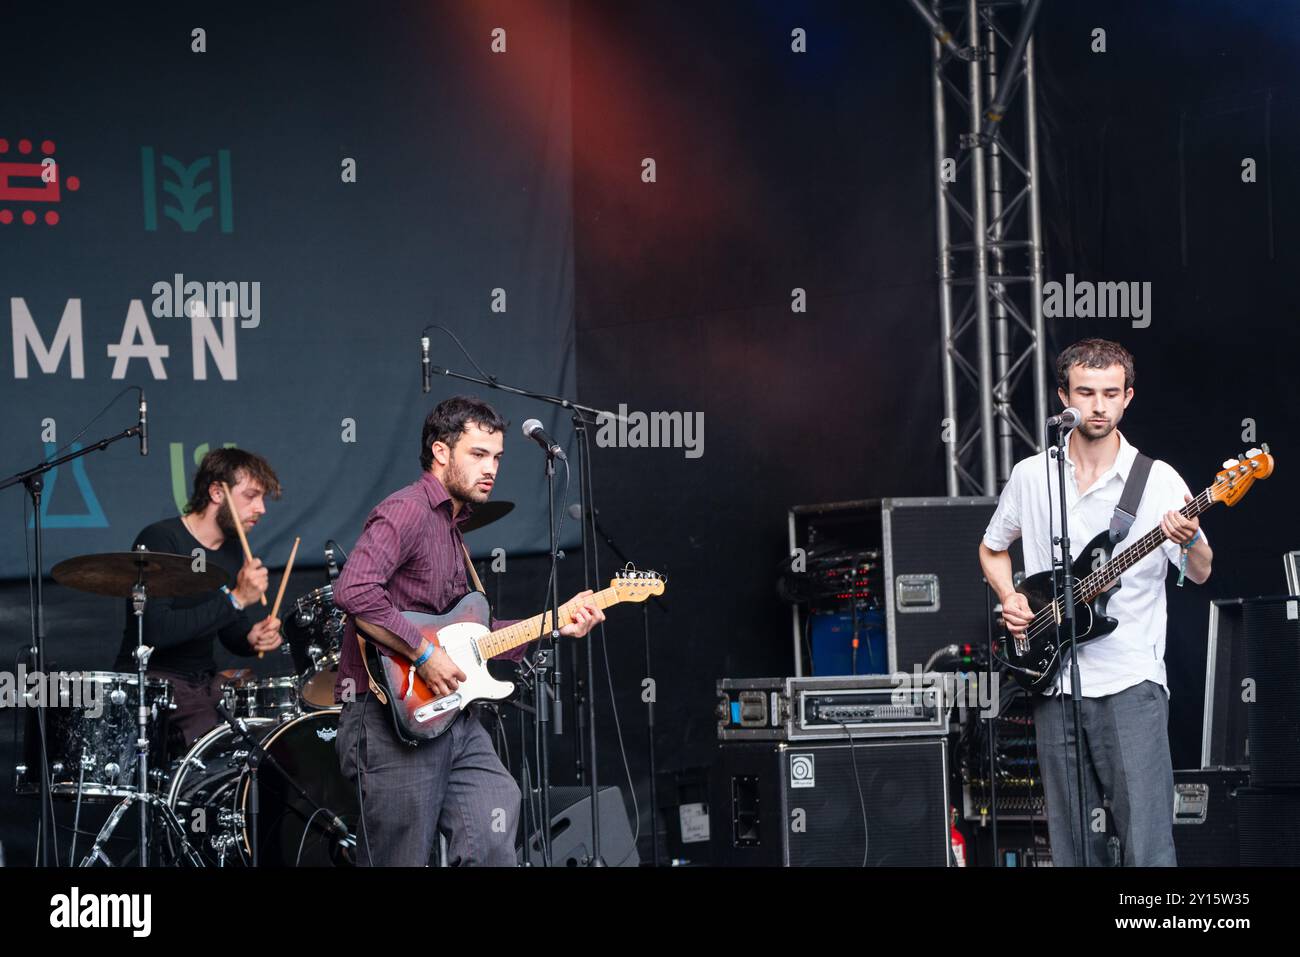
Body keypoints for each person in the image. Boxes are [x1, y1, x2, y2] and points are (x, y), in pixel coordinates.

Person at [333, 395, 603, 866]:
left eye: (497, 457)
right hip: (391, 719)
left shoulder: (451, 527)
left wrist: (558, 620)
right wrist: (423, 655)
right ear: (441, 452)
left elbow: (474, 635)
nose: (491, 468)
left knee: (494, 830)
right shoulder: (406, 511)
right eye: (478, 454)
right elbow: (354, 591)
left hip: (454, 720)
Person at [977, 338, 1212, 866]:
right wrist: (1010, 595)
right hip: (1053, 680)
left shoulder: (1158, 480)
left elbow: (1200, 572)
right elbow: (992, 550)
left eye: (1111, 393)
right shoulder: (1031, 476)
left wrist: (1191, 539)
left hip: (1129, 681)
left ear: (1128, 397)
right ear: (1064, 397)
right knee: (1072, 847)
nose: (1099, 406)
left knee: (1146, 844)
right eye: (1086, 392)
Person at [114, 448, 284, 752]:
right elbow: (155, 631)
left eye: (263, 498)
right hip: (156, 684)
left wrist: (251, 637)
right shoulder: (161, 540)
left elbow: (229, 629)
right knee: (216, 745)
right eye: (251, 496)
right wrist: (235, 600)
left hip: (202, 682)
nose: (261, 508)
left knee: (266, 734)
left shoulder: (232, 550)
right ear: (217, 492)